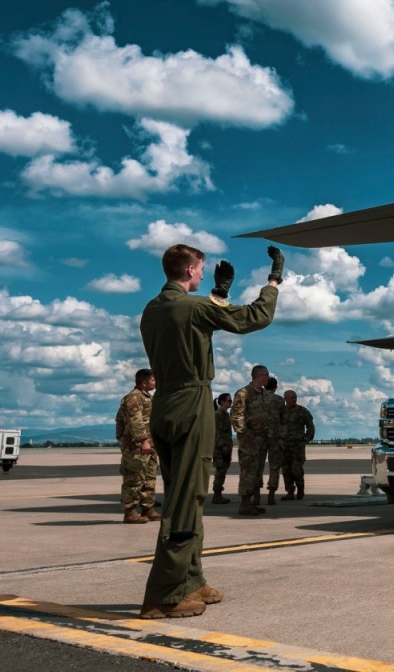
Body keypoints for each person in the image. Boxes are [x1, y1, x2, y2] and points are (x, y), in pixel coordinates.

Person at [137, 243, 281, 619]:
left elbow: (192, 325)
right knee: (186, 500)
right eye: (200, 270)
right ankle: (164, 594)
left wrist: (218, 294)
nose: (202, 275)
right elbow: (254, 318)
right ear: (188, 271)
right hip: (191, 404)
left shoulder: (152, 309)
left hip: (165, 403)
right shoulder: (194, 306)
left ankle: (190, 579)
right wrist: (273, 281)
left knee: (189, 495)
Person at [117, 368, 160, 524]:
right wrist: (143, 440)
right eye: (153, 380)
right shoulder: (133, 398)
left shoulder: (147, 397)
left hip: (149, 446)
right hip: (137, 446)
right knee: (134, 479)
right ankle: (130, 512)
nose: (155, 383)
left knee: (149, 479)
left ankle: (147, 508)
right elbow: (136, 421)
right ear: (144, 383)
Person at [231, 365, 272, 516]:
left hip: (262, 441)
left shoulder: (264, 394)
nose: (268, 378)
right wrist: (247, 436)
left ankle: (253, 501)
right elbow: (236, 417)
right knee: (248, 472)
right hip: (250, 442)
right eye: (266, 375)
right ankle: (245, 503)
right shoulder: (244, 393)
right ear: (259, 375)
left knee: (257, 472)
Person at [279, 390, 316, 500]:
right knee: (286, 470)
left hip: (297, 446)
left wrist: (305, 439)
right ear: (285, 399)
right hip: (284, 446)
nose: (294, 399)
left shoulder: (302, 411)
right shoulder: (281, 412)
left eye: (295, 397)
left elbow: (310, 426)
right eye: (292, 397)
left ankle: (300, 489)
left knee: (297, 469)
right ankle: (290, 492)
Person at [262, 376, 285, 505]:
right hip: (275, 438)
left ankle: (256, 494)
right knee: (274, 467)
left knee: (257, 466)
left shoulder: (258, 398)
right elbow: (283, 418)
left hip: (260, 437)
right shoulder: (279, 400)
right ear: (275, 387)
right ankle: (271, 493)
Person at [210, 393, 233, 505]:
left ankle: (218, 494)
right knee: (220, 470)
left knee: (223, 470)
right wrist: (222, 445)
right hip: (221, 448)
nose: (231, 403)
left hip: (225, 446)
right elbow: (217, 432)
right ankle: (217, 495)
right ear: (222, 401)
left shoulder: (224, 414)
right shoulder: (219, 414)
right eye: (229, 401)